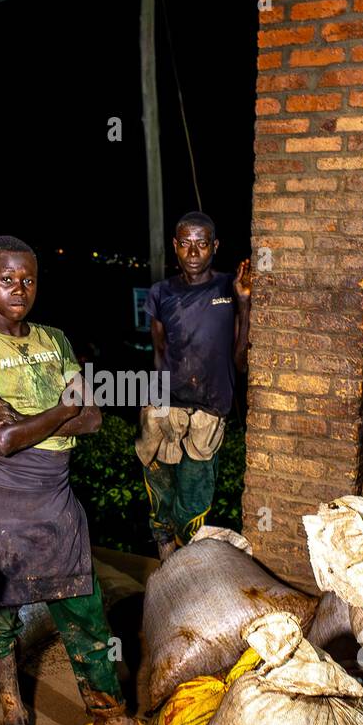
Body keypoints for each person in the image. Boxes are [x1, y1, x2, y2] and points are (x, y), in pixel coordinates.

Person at [0, 236, 139, 725]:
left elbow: (94, 418)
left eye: (29, 279)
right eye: (6, 279)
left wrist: (37, 418)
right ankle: (15, 721)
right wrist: (62, 410)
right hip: (2, 507)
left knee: (84, 610)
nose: (19, 289)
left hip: (57, 501)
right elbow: (2, 442)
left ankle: (111, 717)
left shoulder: (55, 338)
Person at [139, 211, 251, 561]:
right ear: (175, 246)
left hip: (208, 412)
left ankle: (190, 566)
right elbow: (158, 351)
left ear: (214, 247)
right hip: (164, 408)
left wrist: (244, 303)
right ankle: (165, 564)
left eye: (201, 244)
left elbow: (240, 357)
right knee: (160, 492)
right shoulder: (161, 292)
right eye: (185, 244)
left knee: (195, 500)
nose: (192, 252)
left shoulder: (229, 287)